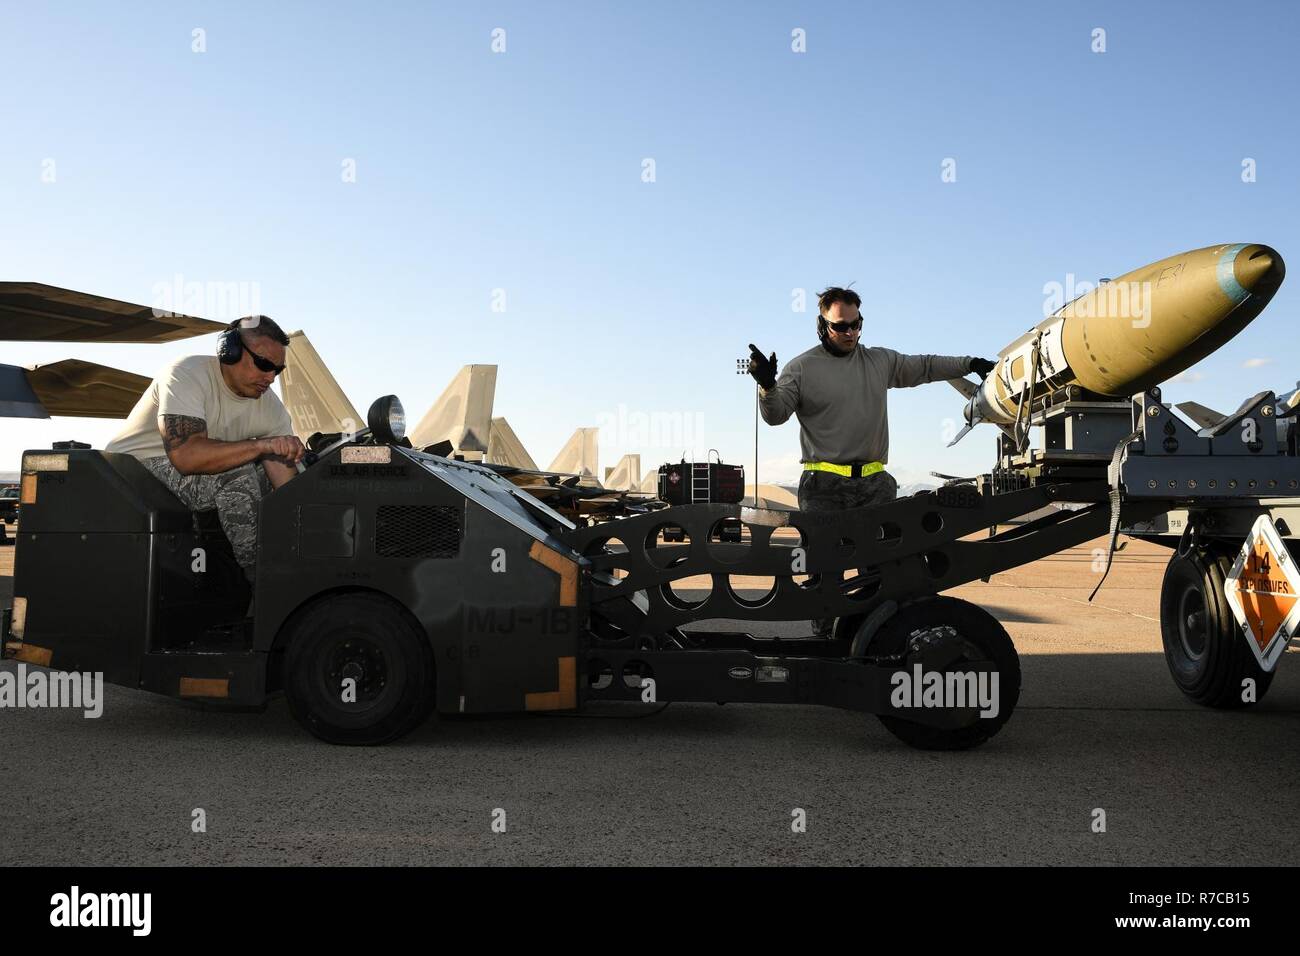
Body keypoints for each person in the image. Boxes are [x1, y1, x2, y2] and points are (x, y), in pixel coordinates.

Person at [747, 286, 996, 635]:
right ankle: (825, 641)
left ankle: (876, 637)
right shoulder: (801, 368)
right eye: (840, 327)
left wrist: (970, 363)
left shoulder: (879, 361)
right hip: (823, 489)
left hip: (874, 486)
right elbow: (775, 416)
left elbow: (923, 366)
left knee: (884, 569)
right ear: (823, 326)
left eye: (855, 325)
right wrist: (767, 386)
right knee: (825, 572)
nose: (850, 333)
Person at [105, 315, 305, 582]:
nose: (270, 377)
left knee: (283, 481)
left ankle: (296, 571)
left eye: (277, 370)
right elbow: (187, 457)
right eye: (263, 364)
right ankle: (261, 580)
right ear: (229, 351)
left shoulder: (270, 406)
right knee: (238, 473)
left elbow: (287, 490)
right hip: (129, 475)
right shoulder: (187, 374)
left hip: (191, 475)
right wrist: (261, 445)